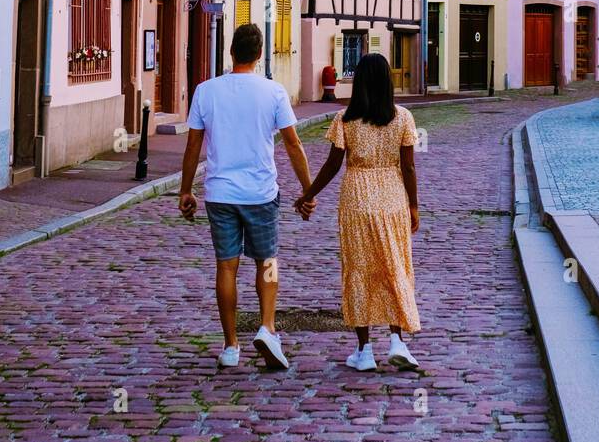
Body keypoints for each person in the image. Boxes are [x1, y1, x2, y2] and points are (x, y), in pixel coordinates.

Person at [178, 22, 315, 371]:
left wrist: (185, 189)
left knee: (226, 266)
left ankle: (230, 345)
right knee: (266, 262)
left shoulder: (206, 91)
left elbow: (194, 144)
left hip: (220, 192)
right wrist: (307, 189)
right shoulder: (273, 92)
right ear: (258, 54)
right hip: (260, 192)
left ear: (230, 52)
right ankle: (267, 328)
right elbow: (292, 143)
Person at [294, 52, 420, 371]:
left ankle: (364, 350)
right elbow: (408, 166)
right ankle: (397, 340)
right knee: (394, 264)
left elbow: (333, 165)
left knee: (358, 270)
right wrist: (414, 205)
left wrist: (307, 194)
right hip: (391, 197)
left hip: (356, 199)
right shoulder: (403, 117)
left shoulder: (345, 120)